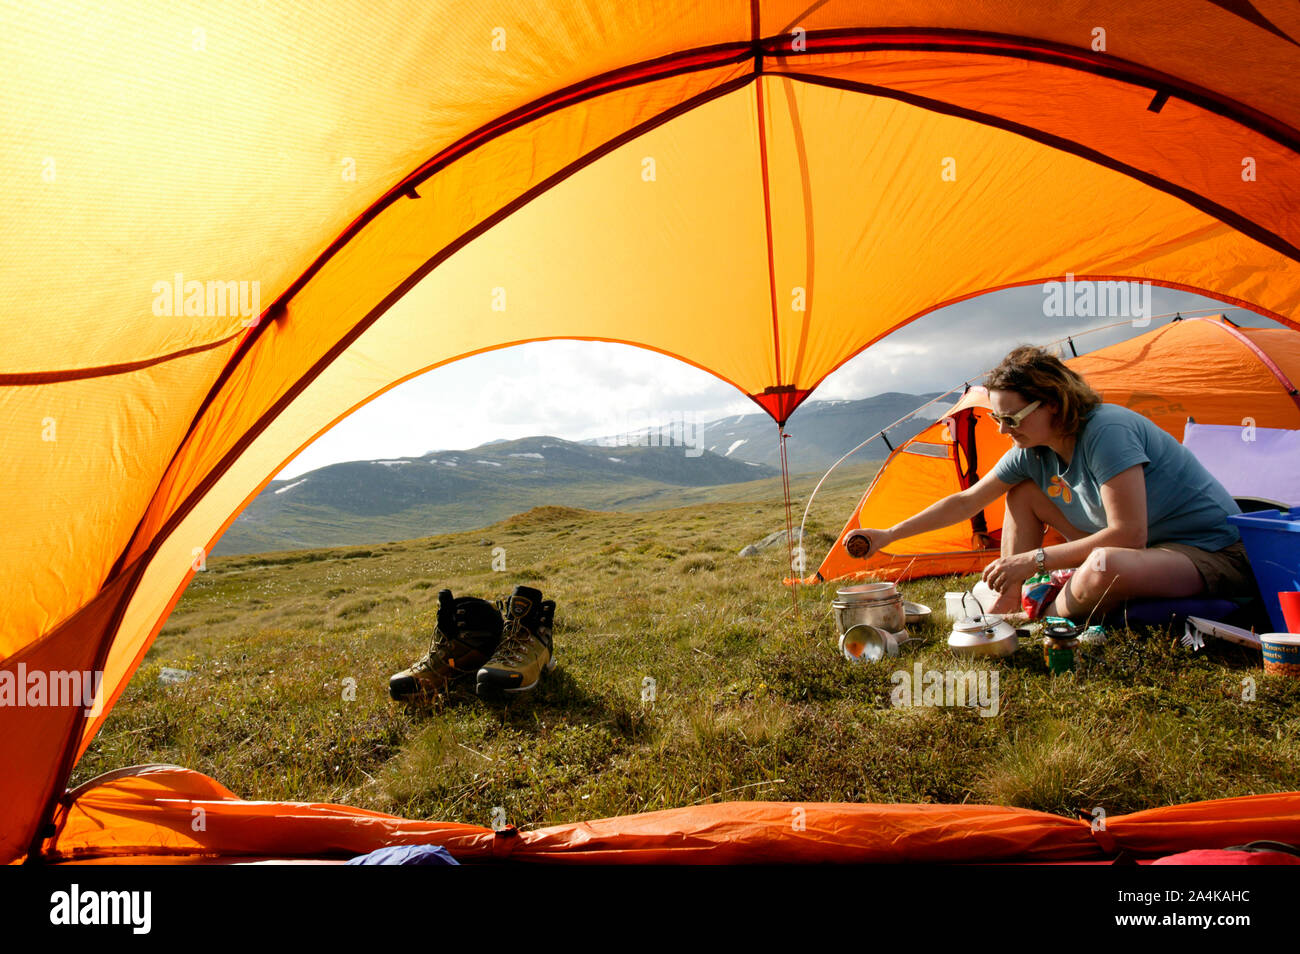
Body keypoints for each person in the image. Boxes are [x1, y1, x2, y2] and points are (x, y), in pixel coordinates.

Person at [843, 345, 1258, 619]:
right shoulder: (1032, 451)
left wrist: (1033, 561)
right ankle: (1009, 602)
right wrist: (888, 535)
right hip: (1148, 552)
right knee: (1022, 493)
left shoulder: (1106, 431)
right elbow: (967, 502)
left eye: (1012, 418)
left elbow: (1129, 535)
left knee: (1104, 564)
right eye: (996, 419)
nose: (1004, 430)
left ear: (1055, 404)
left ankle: (1039, 619)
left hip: (1209, 554)